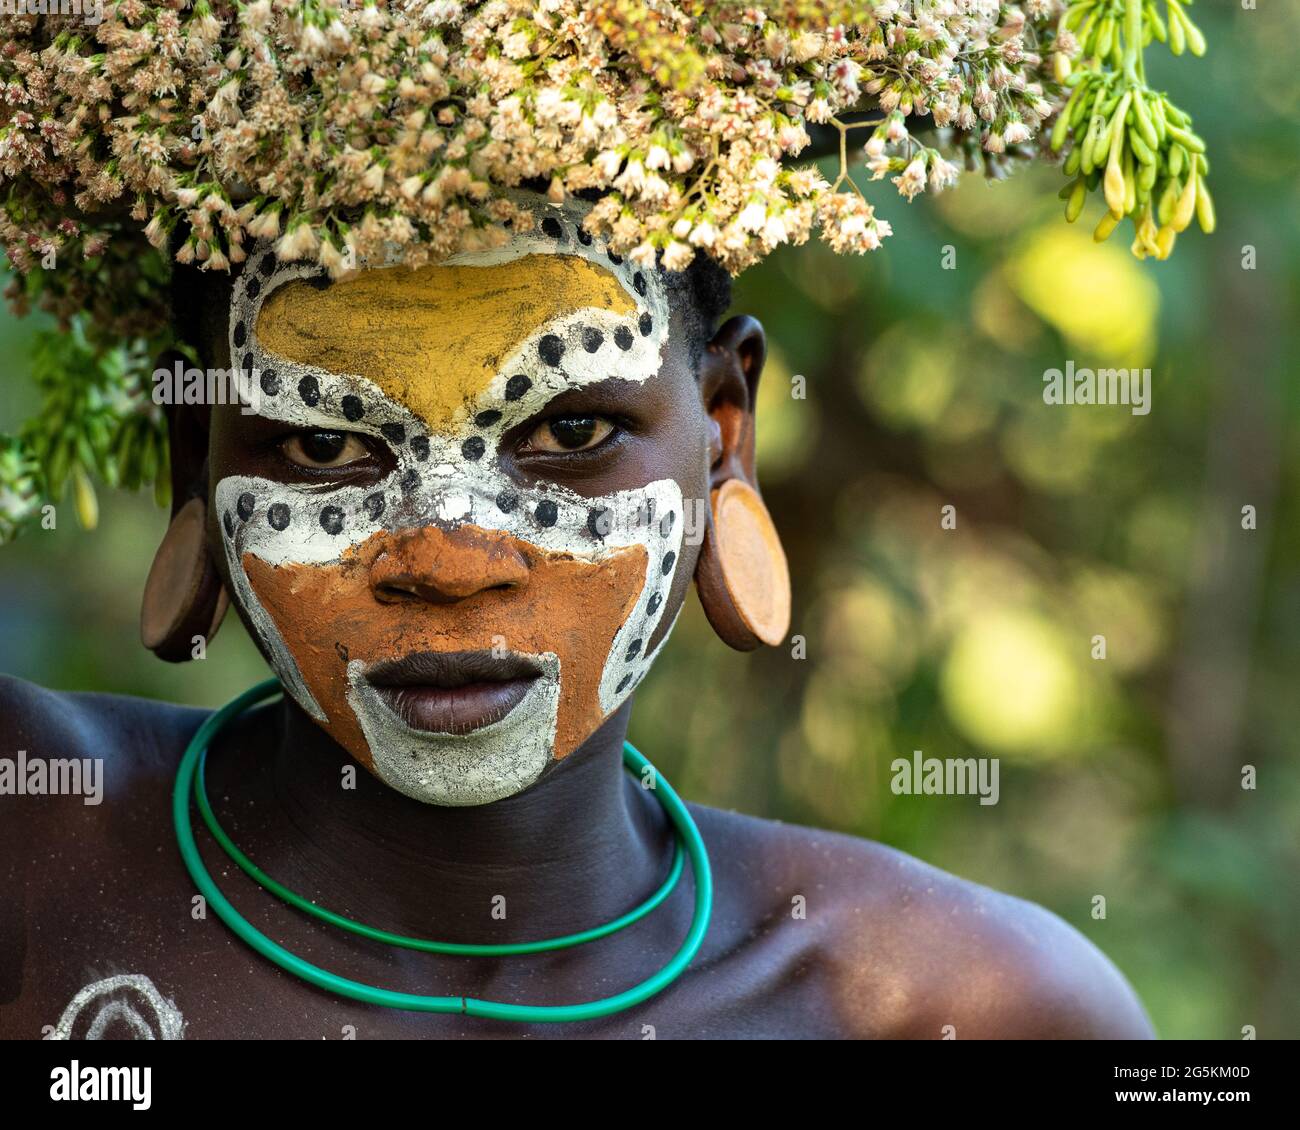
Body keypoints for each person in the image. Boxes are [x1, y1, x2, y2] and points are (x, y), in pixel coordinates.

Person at [0, 191, 1154, 1039]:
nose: (447, 560)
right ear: (190, 457)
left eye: (569, 433)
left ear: (722, 430)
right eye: (323, 443)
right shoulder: (32, 848)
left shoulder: (953, 1005)